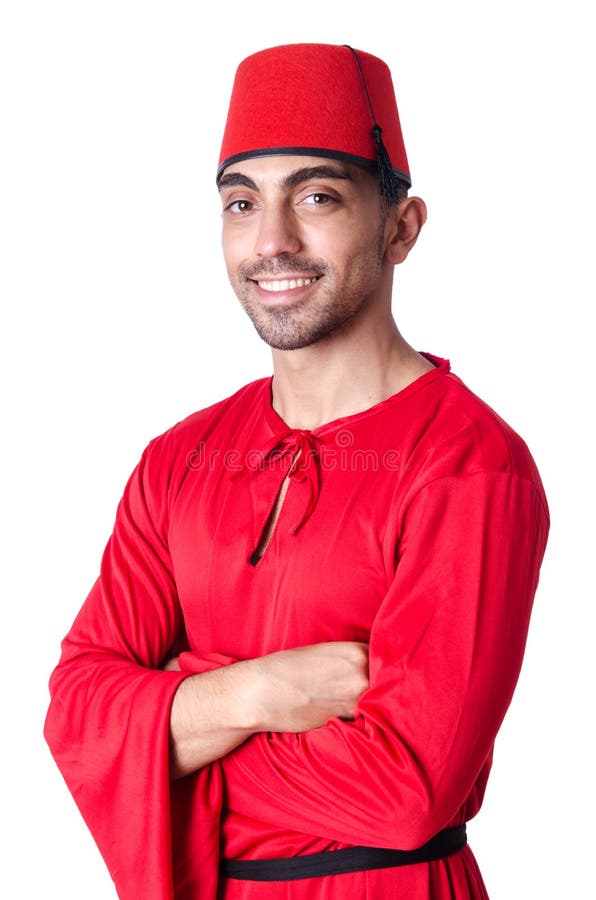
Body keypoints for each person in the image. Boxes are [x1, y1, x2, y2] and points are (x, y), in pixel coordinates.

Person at [44, 43, 549, 900]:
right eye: (242, 204)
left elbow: (405, 791)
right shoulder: (178, 459)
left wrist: (160, 729)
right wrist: (255, 694)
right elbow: (74, 717)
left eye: (317, 197)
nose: (272, 242)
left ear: (401, 228)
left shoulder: (468, 466)